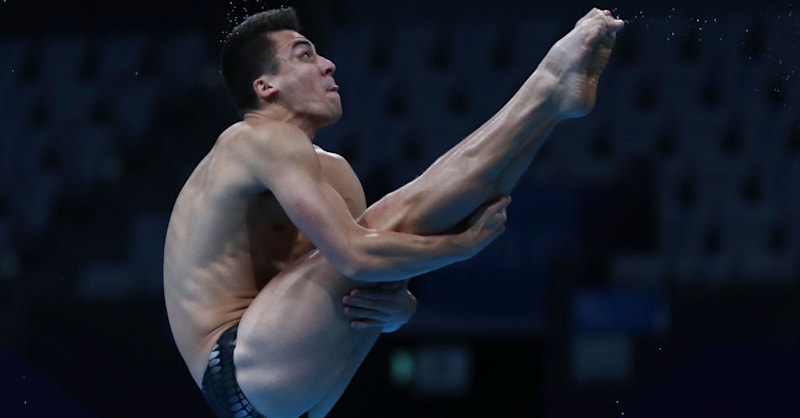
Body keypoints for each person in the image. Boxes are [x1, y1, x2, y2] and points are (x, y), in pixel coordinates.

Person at [163, 6, 624, 418]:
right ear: (265, 87)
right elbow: (356, 258)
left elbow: (379, 284)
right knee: (398, 224)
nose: (328, 65)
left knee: (406, 230)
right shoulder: (251, 138)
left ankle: (552, 110)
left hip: (295, 383)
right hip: (238, 366)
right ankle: (544, 88)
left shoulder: (333, 172)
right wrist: (459, 248)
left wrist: (399, 309)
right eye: (305, 56)